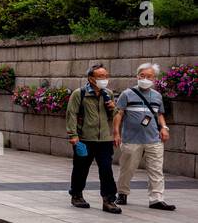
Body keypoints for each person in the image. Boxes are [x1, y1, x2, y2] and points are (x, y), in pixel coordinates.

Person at [114, 63, 176, 211]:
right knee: (127, 168)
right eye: (142, 75)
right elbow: (119, 113)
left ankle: (156, 199)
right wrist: (116, 133)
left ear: (154, 79)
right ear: (137, 76)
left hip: (153, 139)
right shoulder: (127, 94)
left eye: (149, 76)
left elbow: (159, 114)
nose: (145, 78)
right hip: (131, 139)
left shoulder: (157, 96)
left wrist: (164, 127)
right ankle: (122, 193)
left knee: (156, 170)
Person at [67, 63, 120, 213]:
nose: (104, 79)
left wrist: (112, 108)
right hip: (84, 139)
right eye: (100, 77)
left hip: (104, 139)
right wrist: (73, 135)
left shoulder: (107, 93)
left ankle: (109, 200)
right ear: (91, 79)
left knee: (106, 170)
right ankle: (76, 195)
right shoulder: (80, 93)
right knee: (81, 168)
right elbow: (71, 114)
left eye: (106, 76)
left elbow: (113, 115)